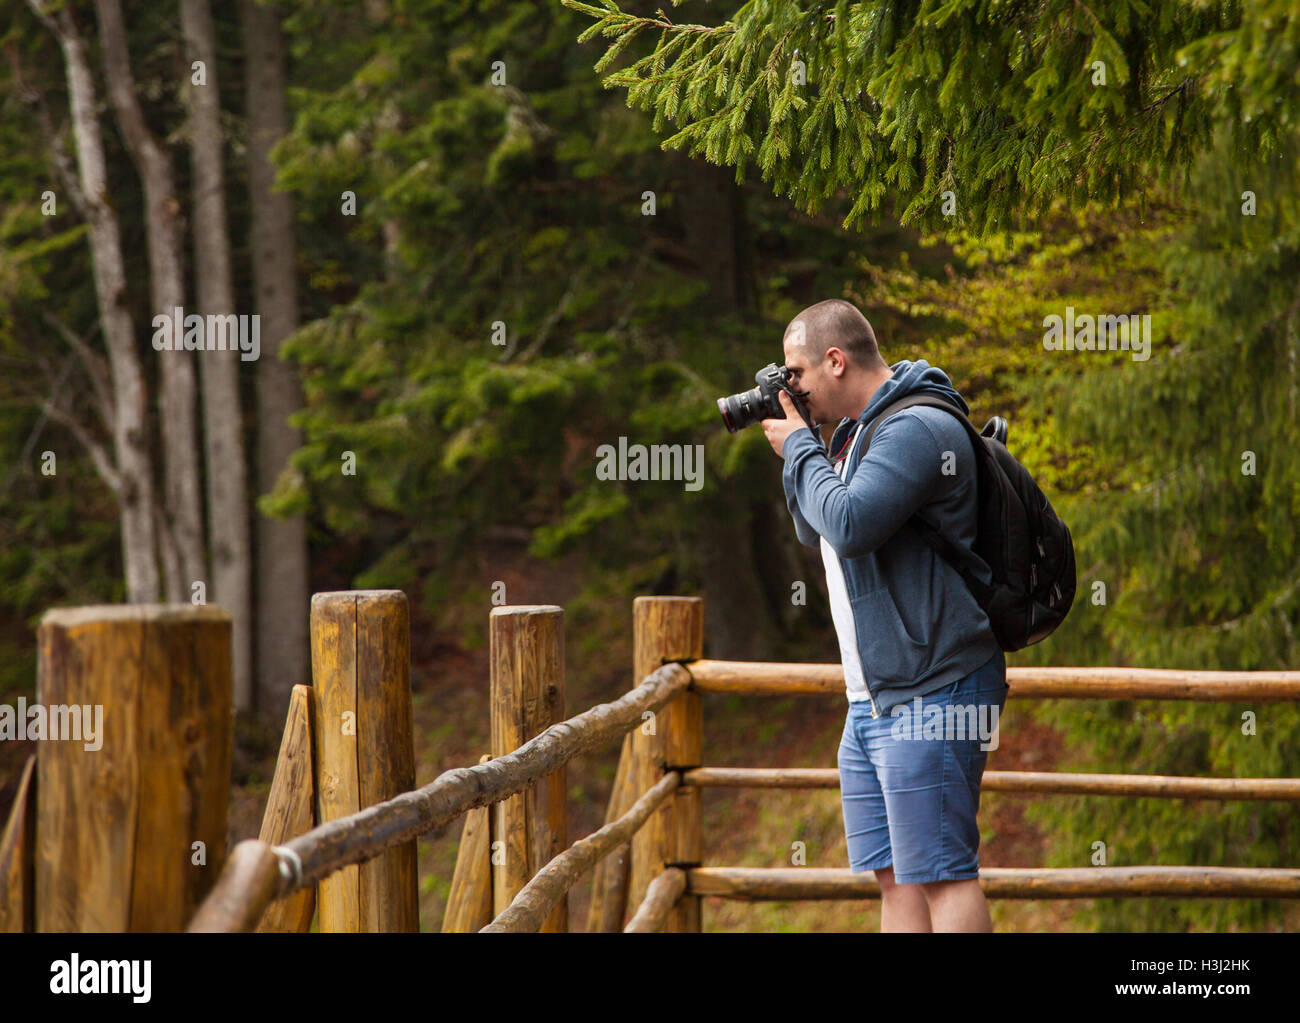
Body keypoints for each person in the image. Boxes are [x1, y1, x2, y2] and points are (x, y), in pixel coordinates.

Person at [761, 298, 1008, 932]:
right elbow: (815, 528)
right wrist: (805, 450)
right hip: (872, 697)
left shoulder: (915, 428)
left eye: (797, 372)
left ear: (835, 361)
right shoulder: (853, 435)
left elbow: (848, 525)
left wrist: (799, 452)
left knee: (943, 876)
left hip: (935, 686)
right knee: (896, 879)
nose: (792, 386)